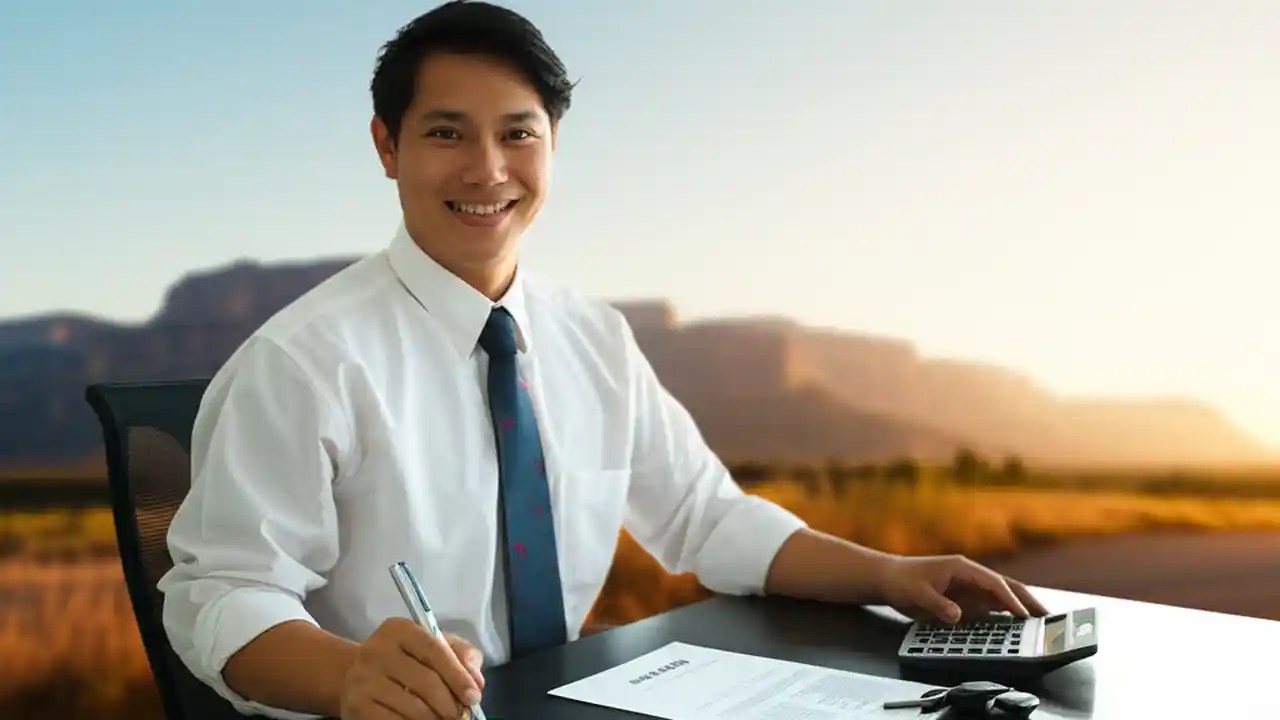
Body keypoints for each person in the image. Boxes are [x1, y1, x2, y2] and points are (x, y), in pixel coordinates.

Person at [158, 2, 1050, 719]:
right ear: (386, 147)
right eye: (444, 134)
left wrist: (888, 575)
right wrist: (349, 675)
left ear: (552, 145)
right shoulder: (303, 361)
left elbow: (705, 519)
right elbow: (223, 595)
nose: (486, 169)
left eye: (517, 134)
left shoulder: (591, 335)